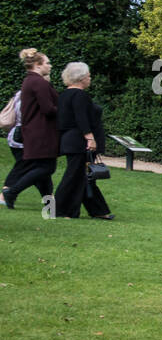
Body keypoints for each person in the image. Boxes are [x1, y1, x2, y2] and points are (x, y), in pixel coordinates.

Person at [52, 62, 112, 220]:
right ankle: (59, 210)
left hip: (69, 139)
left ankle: (98, 210)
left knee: (83, 177)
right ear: (81, 78)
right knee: (73, 176)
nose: (90, 78)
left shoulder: (64, 95)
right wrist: (90, 138)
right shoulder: (79, 95)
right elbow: (81, 118)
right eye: (89, 76)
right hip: (78, 140)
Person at [2, 48, 58, 209]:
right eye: (47, 63)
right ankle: (12, 192)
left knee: (43, 170)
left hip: (34, 131)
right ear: (38, 65)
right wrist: (65, 111)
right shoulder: (38, 82)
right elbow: (47, 108)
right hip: (41, 132)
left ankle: (50, 206)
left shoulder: (29, 81)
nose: (50, 66)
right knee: (46, 168)